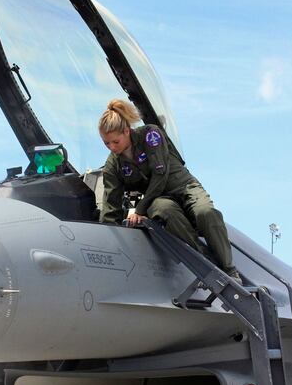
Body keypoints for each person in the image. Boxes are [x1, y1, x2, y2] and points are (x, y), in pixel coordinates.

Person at [98, 99, 239, 280]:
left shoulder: (151, 135)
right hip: (159, 199)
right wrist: (108, 241)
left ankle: (229, 269)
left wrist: (139, 210)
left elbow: (160, 176)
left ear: (127, 131)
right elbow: (111, 205)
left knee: (206, 213)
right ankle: (207, 263)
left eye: (115, 142)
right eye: (106, 144)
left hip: (183, 186)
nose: (112, 147)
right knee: (164, 211)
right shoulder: (113, 165)